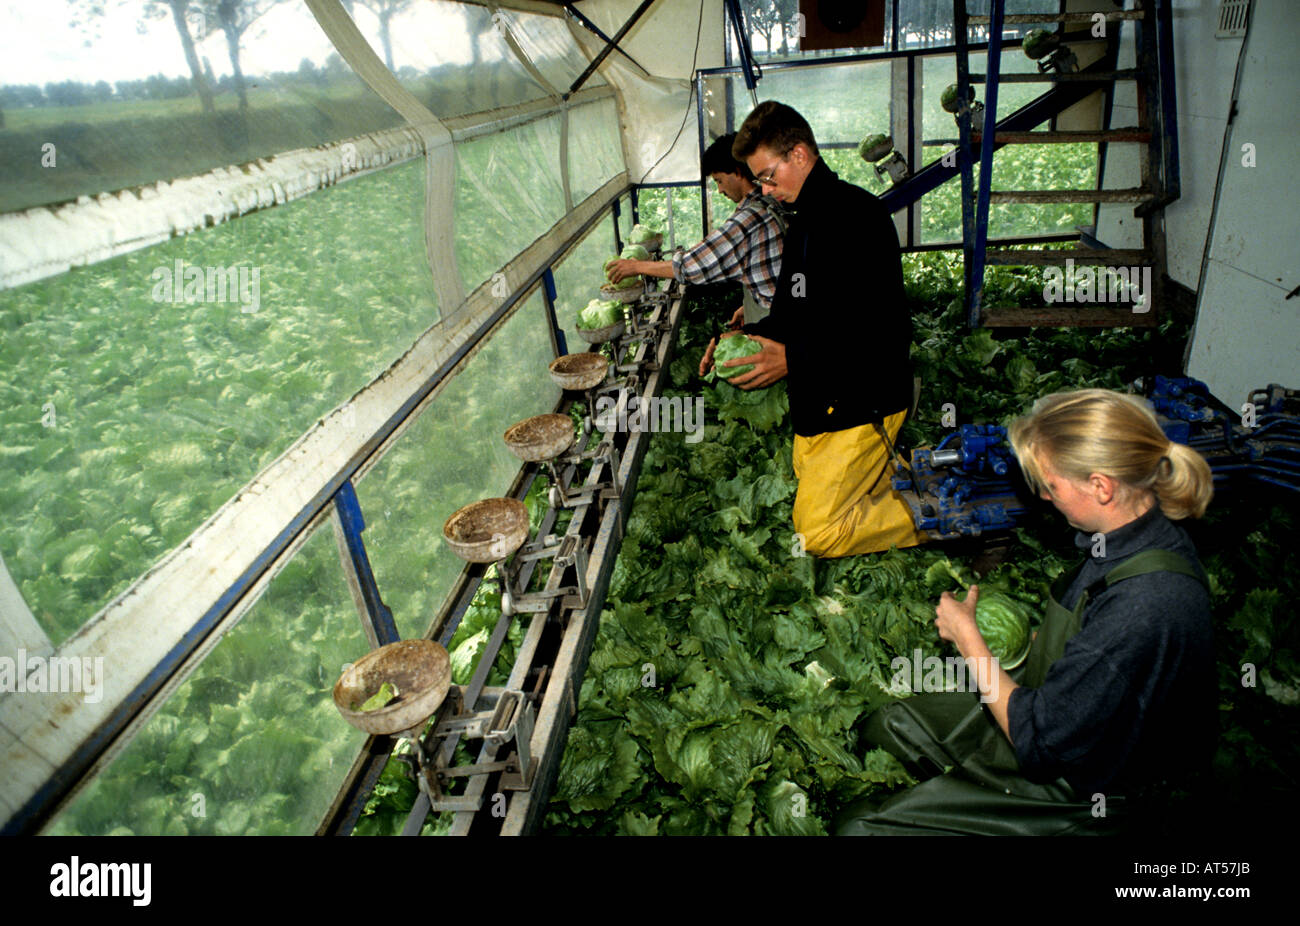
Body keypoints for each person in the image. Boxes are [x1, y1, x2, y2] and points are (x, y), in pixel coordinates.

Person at [836, 388, 1216, 835]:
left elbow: (1039, 743)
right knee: (885, 727)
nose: (1045, 497)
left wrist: (969, 641)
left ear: (1101, 486)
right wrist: (1038, 645)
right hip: (1061, 707)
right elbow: (1098, 653)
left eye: (1051, 485)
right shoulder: (1134, 531)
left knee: (857, 829)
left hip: (1082, 780)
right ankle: (957, 795)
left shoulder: (1145, 605)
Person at [726, 100, 925, 557]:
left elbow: (880, 333)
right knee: (806, 475)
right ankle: (895, 475)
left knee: (816, 533)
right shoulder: (805, 221)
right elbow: (793, 309)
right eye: (759, 181)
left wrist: (793, 357)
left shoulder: (857, 217)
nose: (766, 190)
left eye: (768, 176)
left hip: (863, 396)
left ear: (799, 154)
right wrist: (748, 338)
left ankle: (941, 515)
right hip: (822, 395)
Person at [604, 133, 785, 376]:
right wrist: (750, 302)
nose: (719, 190)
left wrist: (637, 267)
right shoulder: (769, 201)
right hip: (779, 309)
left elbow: (691, 266)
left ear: (737, 172)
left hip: (779, 327)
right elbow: (769, 267)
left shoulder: (748, 219)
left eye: (719, 180)